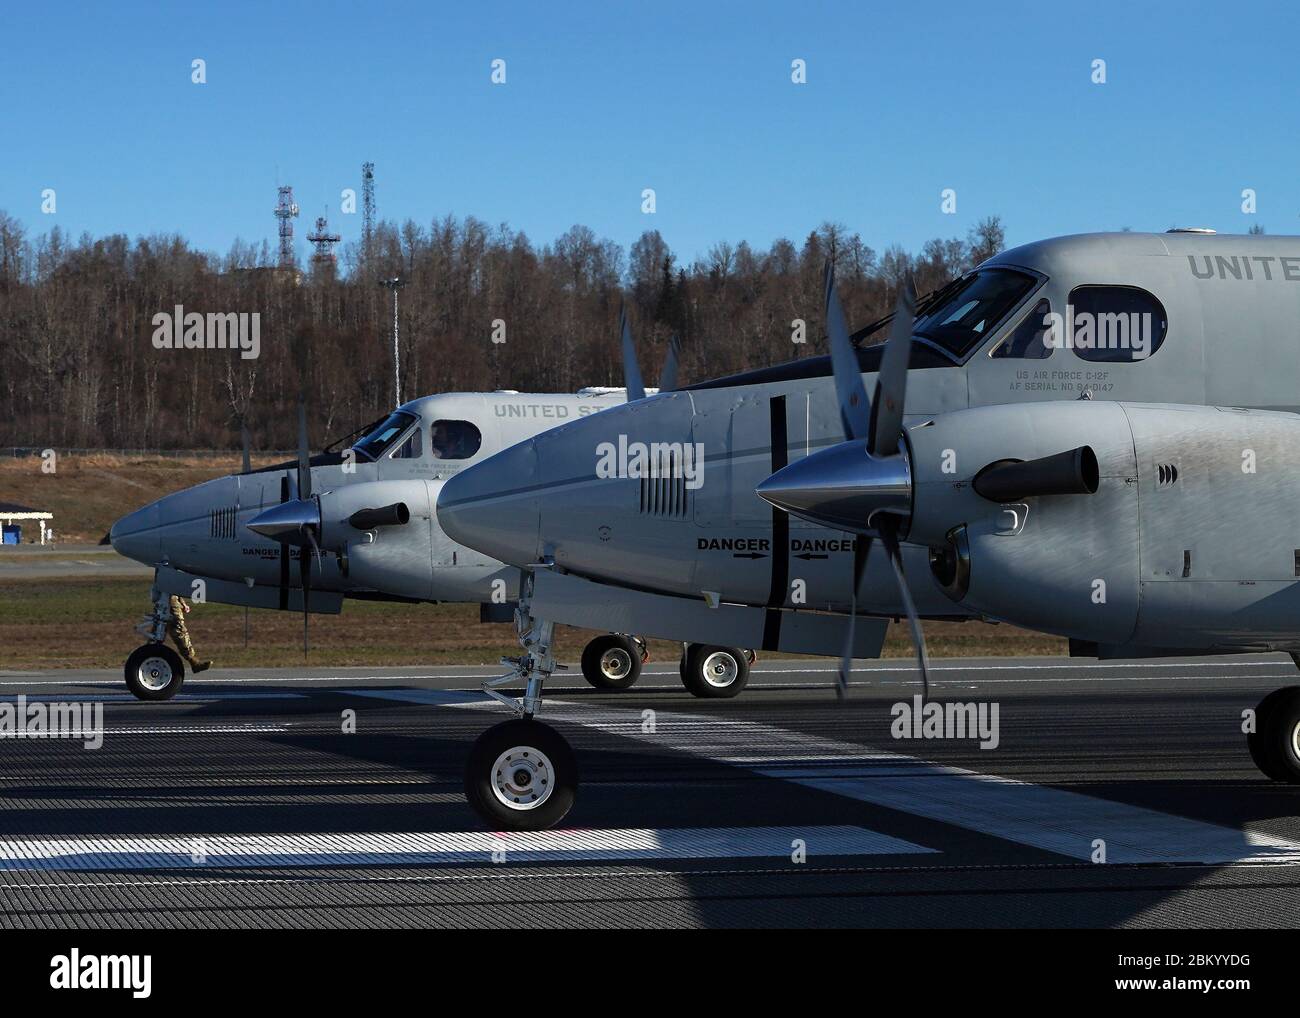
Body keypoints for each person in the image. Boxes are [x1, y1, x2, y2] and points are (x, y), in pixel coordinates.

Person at [167, 595, 212, 673]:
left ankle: (193, 662)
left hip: (167, 596)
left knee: (161, 628)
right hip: (169, 598)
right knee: (178, 629)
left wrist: (182, 602)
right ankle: (193, 662)